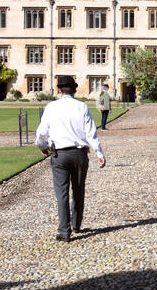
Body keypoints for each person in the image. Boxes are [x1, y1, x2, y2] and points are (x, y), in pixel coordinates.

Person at [36, 75, 105, 241]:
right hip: (79, 154)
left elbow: (42, 132)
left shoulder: (51, 107)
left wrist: (42, 146)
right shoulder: (81, 106)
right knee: (78, 190)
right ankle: (76, 224)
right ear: (74, 90)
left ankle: (64, 231)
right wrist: (99, 153)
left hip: (60, 155)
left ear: (59, 90)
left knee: (62, 193)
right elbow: (91, 133)